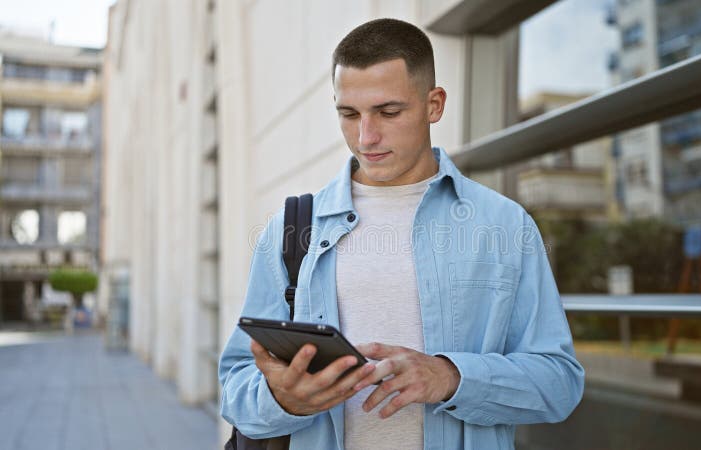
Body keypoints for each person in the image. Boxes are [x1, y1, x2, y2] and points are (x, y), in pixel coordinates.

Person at [219, 18, 584, 450]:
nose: (366, 137)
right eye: (349, 114)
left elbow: (559, 383)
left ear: (434, 105)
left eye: (388, 112)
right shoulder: (292, 227)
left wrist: (451, 377)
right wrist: (282, 399)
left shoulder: (504, 225)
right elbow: (235, 386)